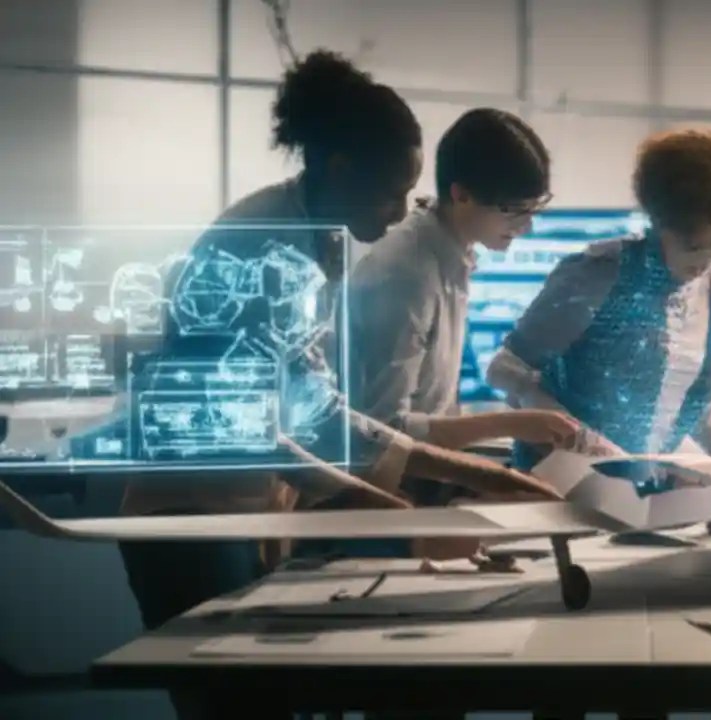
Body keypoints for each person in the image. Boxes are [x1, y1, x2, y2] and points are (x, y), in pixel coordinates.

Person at [116, 50, 560, 640]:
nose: (403, 211)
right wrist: (415, 518)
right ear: (341, 168)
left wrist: (479, 480)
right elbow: (282, 430)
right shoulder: (258, 247)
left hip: (249, 506)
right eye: (390, 193)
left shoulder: (314, 236)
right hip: (192, 514)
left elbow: (315, 409)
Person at [291, 109, 582, 562]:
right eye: (513, 210)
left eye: (534, 209)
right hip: (364, 505)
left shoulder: (451, 255)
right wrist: (510, 423)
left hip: (410, 490)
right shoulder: (406, 273)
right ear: (461, 194)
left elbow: (428, 408)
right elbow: (383, 430)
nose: (526, 226)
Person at [485, 127, 711, 538]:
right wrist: (569, 432)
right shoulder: (597, 273)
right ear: (659, 222)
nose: (704, 260)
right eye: (692, 246)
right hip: (564, 491)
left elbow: (705, 402)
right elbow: (505, 370)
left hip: (651, 499)